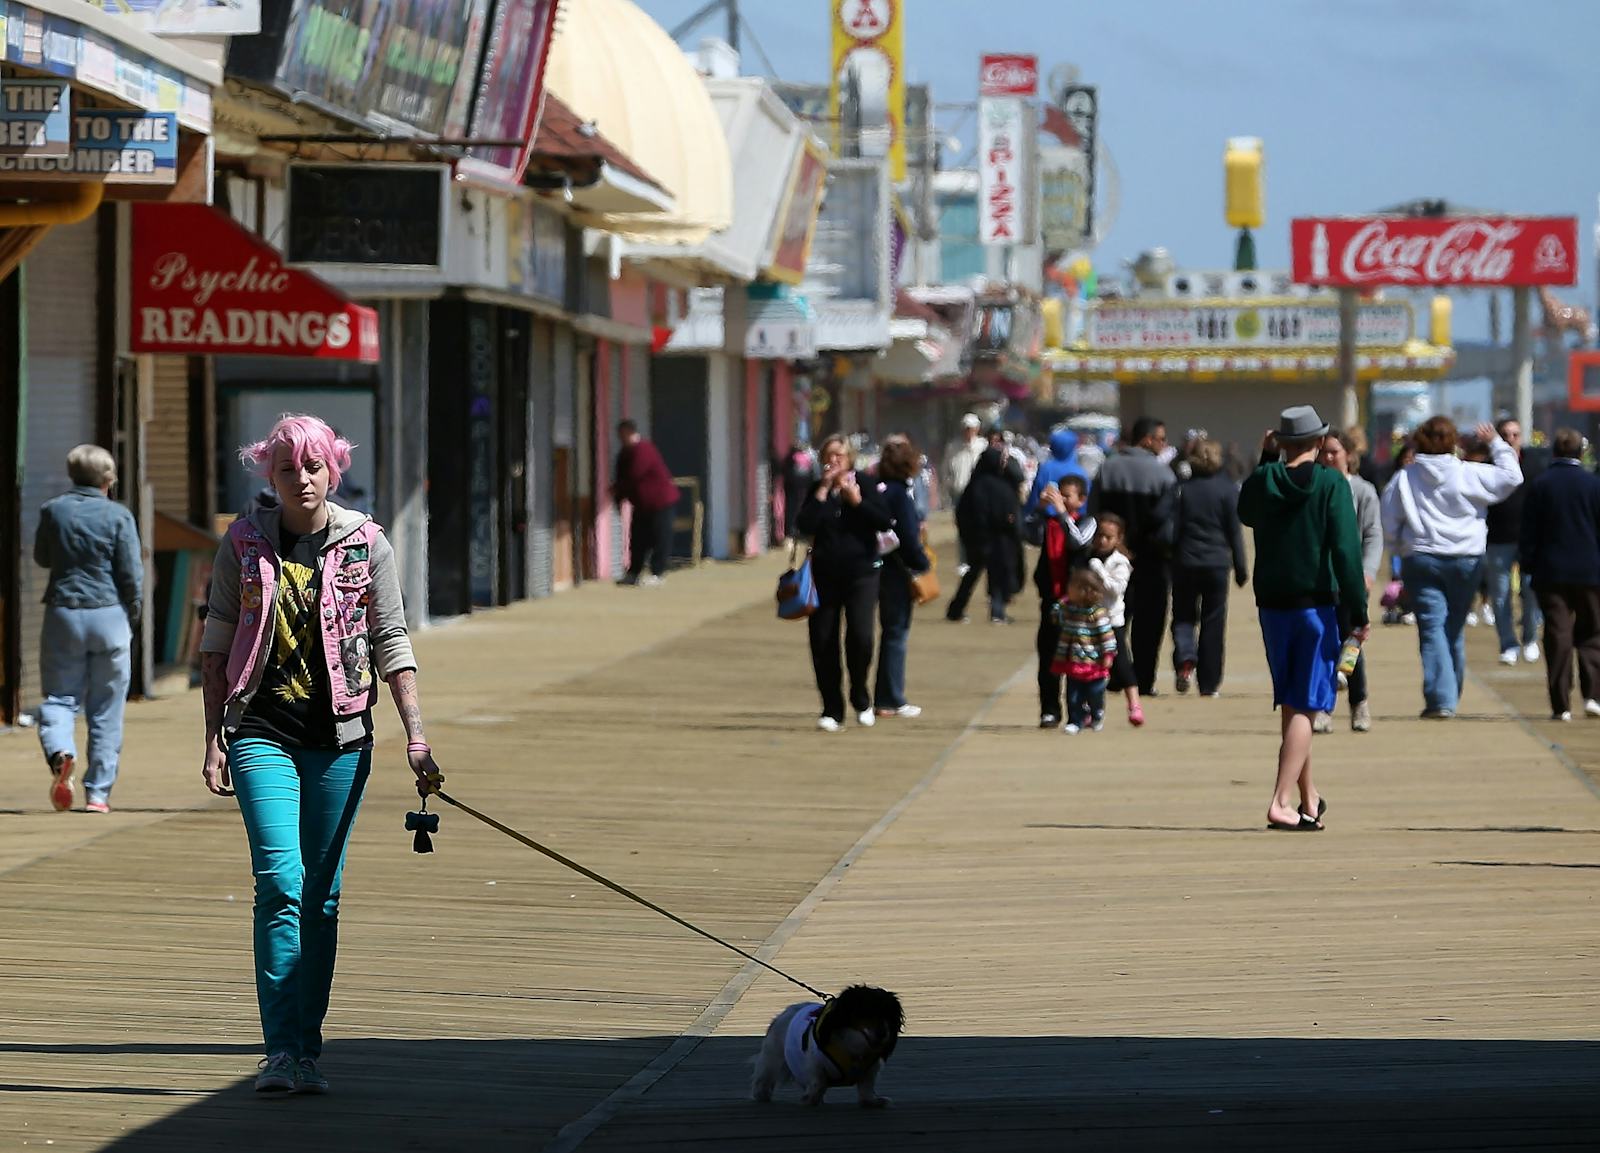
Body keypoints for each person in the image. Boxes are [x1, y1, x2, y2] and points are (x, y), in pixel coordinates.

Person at [198, 414, 443, 1094]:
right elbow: (216, 645)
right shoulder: (244, 543)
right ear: (269, 476)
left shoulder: (368, 544)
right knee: (280, 881)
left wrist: (415, 735)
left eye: (312, 466)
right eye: (286, 469)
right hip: (260, 731)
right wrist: (213, 738)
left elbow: (392, 639)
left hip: (341, 738)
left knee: (321, 898)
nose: (300, 479)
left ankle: (308, 1047)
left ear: (333, 468)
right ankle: (279, 1051)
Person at [1238, 406, 1368, 831]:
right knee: (1308, 702)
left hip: (1272, 607)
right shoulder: (1331, 485)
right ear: (1318, 442)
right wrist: (1358, 613)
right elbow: (1347, 552)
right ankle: (1280, 801)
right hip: (1315, 606)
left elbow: (1247, 514)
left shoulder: (1263, 480)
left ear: (1279, 443)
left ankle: (1308, 797)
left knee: (1295, 703)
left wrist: (1263, 460)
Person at [1380, 416, 1521, 718]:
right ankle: (1448, 694)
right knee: (1453, 627)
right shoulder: (1468, 473)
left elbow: (1389, 518)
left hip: (1421, 557)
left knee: (1432, 626)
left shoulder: (1406, 477)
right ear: (1454, 442)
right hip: (1466, 558)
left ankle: (1442, 698)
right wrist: (1496, 443)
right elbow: (1512, 477)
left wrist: (1396, 549)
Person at [33, 444, 142, 814]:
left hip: (64, 611)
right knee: (106, 708)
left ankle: (61, 751)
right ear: (108, 479)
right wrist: (135, 613)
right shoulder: (118, 516)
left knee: (60, 697)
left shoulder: (52, 510)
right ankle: (98, 793)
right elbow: (130, 572)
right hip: (109, 615)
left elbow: (42, 558)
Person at [797, 434, 894, 732]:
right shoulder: (818, 489)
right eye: (829, 455)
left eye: (840, 455)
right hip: (823, 575)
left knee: (861, 637)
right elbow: (804, 526)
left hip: (861, 573)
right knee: (823, 641)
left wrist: (858, 502)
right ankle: (831, 708)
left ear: (850, 458)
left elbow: (884, 520)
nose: (834, 460)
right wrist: (824, 489)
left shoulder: (864, 483)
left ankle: (861, 696)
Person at [1519, 428, 1600, 721]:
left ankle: (1560, 703)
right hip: (1591, 572)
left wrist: (1528, 563)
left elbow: (1528, 532)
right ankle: (1593, 696)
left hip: (1550, 571)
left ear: (1554, 452)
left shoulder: (1540, 486)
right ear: (1581, 453)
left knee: (1557, 634)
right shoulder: (1593, 485)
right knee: (1592, 633)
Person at [1092, 416, 1176, 696]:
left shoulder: (1107, 468)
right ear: (1147, 439)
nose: (1164, 444)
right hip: (1152, 559)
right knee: (1150, 620)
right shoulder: (1164, 475)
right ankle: (1143, 678)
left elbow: (1094, 511)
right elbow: (1167, 522)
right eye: (1161, 438)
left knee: (1114, 617)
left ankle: (1118, 674)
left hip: (1112, 555)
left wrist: (1114, 543)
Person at [1169, 438, 1248, 698]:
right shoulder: (1227, 490)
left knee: (1183, 616)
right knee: (1213, 622)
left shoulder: (1183, 490)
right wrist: (1240, 566)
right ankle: (1209, 682)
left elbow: (1173, 529)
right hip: (1216, 563)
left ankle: (1185, 659)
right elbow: (1234, 532)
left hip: (1185, 561)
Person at [1318, 428, 1383, 733]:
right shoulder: (1315, 489)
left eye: (1335, 451)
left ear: (1348, 455)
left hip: (1352, 577)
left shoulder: (1362, 490)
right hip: (1320, 578)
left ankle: (1359, 703)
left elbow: (1372, 534)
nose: (1329, 457)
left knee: (1353, 640)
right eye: (1324, 452)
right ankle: (1323, 707)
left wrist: (1368, 572)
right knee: (1323, 643)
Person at [1026, 476, 1096, 726]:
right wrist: (1038, 507)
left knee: (1079, 656)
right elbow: (1028, 534)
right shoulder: (1049, 522)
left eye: (1068, 496)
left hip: (1077, 603)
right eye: (1060, 494)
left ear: (1081, 500)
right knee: (1048, 657)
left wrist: (1062, 513)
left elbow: (1078, 541)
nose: (1062, 500)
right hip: (1051, 599)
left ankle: (1081, 709)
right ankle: (1050, 710)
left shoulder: (1088, 522)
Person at [872, 435, 931, 719]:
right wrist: (922, 563)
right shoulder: (900, 494)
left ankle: (876, 697)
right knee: (895, 634)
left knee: (877, 634)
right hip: (895, 572)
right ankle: (890, 698)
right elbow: (908, 537)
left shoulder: (875, 489)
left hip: (869, 568)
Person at [1485, 419, 1542, 666]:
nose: (1511, 438)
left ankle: (1529, 639)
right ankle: (1508, 643)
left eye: (1515, 434)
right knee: (1500, 595)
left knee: (1531, 591)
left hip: (1529, 540)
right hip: (1497, 539)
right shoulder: (1488, 466)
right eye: (1505, 434)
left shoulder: (1535, 464)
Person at [947, 448, 1022, 625]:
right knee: (996, 577)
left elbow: (961, 514)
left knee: (972, 575)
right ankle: (997, 612)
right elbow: (1008, 515)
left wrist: (970, 536)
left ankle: (956, 609)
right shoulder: (1000, 486)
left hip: (977, 541)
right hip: (997, 540)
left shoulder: (973, 485)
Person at [1088, 513, 1144, 725]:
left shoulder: (1121, 562)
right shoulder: (1089, 557)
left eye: (1108, 537)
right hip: (1090, 621)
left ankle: (1134, 705)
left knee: (1121, 664)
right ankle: (1090, 708)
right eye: (1100, 535)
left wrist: (1099, 571)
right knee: (1090, 666)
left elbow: (1115, 589)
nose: (1102, 540)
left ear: (1118, 539)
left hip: (1112, 621)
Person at [612, 419, 681, 586]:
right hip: (642, 504)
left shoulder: (643, 449)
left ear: (630, 433)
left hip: (660, 502)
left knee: (660, 537)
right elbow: (621, 477)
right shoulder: (624, 453)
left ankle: (657, 574)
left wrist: (618, 491)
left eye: (622, 434)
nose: (620, 438)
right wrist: (618, 498)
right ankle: (633, 573)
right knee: (637, 539)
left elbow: (633, 476)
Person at [1051, 567, 1118, 734]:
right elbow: (1055, 615)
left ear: (1085, 591)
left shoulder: (1097, 614)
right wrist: (1064, 601)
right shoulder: (1070, 610)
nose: (1068, 590)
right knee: (1073, 695)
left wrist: (1108, 654)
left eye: (1072, 587)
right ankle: (1075, 720)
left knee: (1095, 693)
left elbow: (1107, 636)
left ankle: (1096, 712)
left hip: (1094, 662)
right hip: (1073, 661)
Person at [944, 414, 985, 571]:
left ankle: (979, 559)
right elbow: (947, 470)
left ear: (977, 429)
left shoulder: (983, 446)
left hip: (979, 493)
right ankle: (963, 561)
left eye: (972, 429)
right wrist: (947, 489)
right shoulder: (953, 447)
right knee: (963, 528)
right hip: (960, 493)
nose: (969, 432)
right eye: (966, 429)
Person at [1024, 427, 1090, 515]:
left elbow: (1035, 497)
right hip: (1072, 520)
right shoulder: (1081, 472)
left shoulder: (1046, 468)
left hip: (1047, 519)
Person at [780, 442, 819, 543]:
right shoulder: (808, 457)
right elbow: (813, 473)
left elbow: (785, 471)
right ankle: (799, 532)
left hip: (792, 489)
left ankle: (791, 533)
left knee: (791, 510)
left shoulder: (791, 457)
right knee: (799, 509)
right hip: (802, 488)